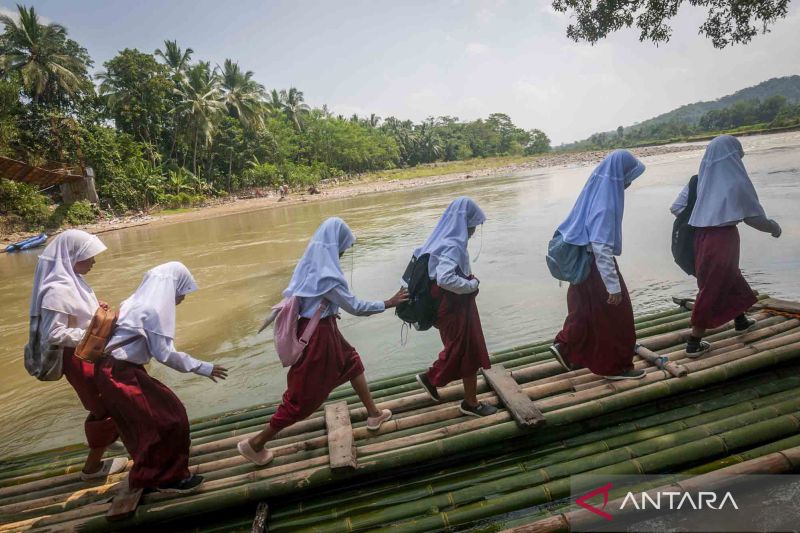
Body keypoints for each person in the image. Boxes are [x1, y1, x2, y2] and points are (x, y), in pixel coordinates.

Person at [238, 217, 408, 466]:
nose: (342, 253)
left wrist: (326, 308)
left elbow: (309, 300)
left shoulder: (310, 264)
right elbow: (356, 306)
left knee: (352, 362)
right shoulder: (328, 275)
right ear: (334, 245)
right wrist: (388, 302)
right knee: (301, 400)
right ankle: (255, 444)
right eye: (342, 248)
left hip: (320, 327)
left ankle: (374, 414)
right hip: (318, 337)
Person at [96, 262, 228, 493]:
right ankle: (169, 478)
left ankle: (151, 473)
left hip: (113, 370)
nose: (183, 298)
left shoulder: (134, 301)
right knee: (171, 419)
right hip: (120, 373)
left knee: (145, 424)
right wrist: (203, 368)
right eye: (182, 291)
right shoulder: (152, 310)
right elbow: (165, 354)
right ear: (171, 287)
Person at [25, 229, 127, 481]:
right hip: (79, 359)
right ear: (71, 257)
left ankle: (127, 443)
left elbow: (77, 313)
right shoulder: (57, 290)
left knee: (109, 403)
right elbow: (54, 333)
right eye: (89, 257)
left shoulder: (73, 280)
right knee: (105, 408)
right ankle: (91, 469)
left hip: (88, 355)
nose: (93, 261)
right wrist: (95, 333)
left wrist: (96, 314)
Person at [670, 135, 781, 357]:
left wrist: (705, 213)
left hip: (700, 237)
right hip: (723, 239)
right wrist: (773, 228)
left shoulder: (699, 179)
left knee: (729, 277)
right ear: (734, 155)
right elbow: (753, 218)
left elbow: (676, 207)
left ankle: (740, 320)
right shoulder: (736, 181)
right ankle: (693, 342)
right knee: (713, 286)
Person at [549, 150, 647, 380]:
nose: (630, 183)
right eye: (629, 177)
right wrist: (612, 286)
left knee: (586, 311)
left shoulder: (594, 190)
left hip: (584, 263)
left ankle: (565, 346)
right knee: (618, 316)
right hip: (595, 266)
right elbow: (601, 245)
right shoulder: (606, 202)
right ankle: (616, 366)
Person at [413, 197, 497, 417]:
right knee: (466, 350)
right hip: (455, 308)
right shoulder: (454, 245)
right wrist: (472, 284)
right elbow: (445, 279)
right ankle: (439, 383)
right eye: (473, 226)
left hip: (447, 308)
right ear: (465, 223)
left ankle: (467, 399)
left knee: (462, 349)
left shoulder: (439, 240)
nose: (473, 231)